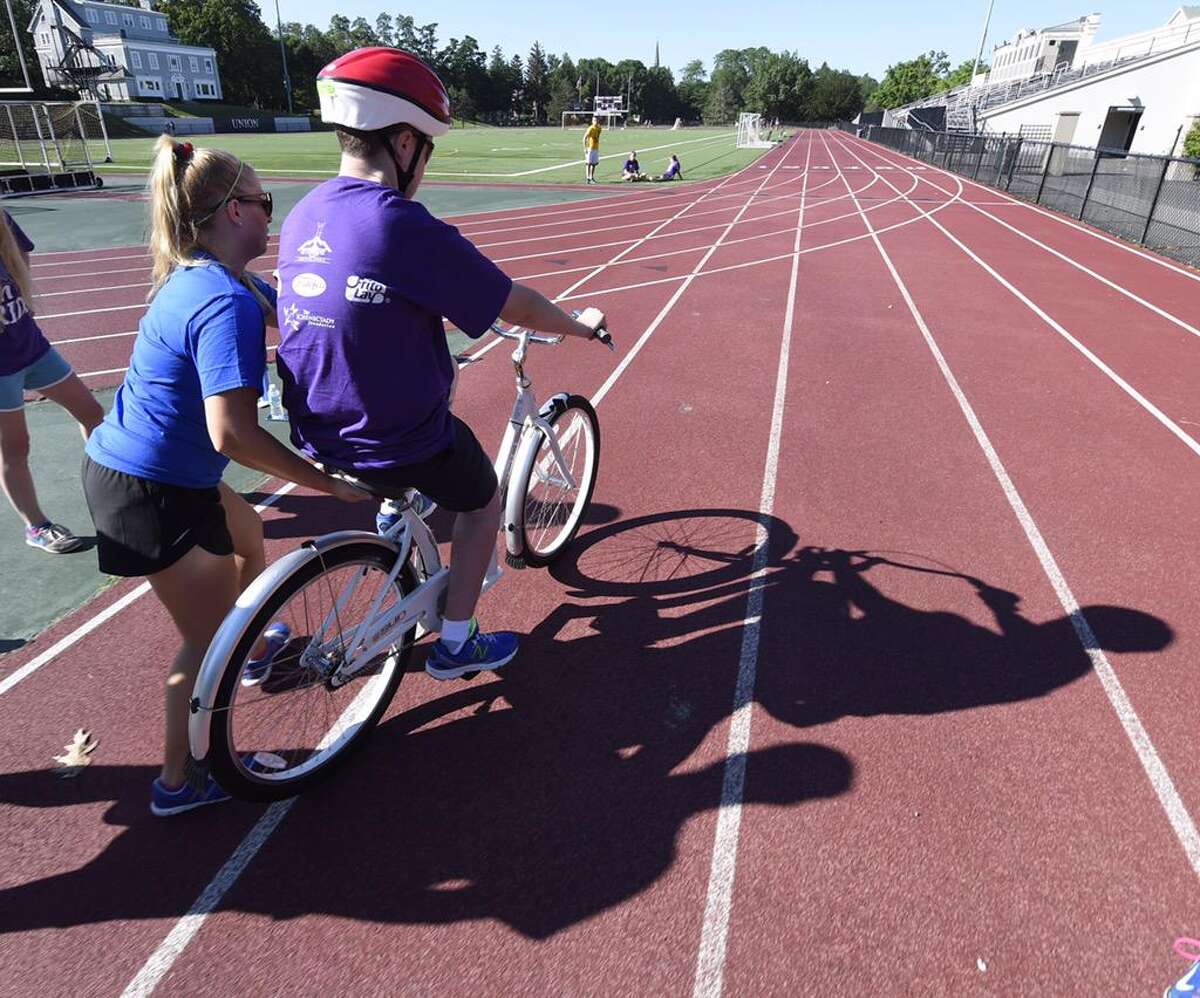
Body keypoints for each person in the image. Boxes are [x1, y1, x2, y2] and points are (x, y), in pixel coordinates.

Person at [277, 47, 610, 682]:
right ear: (403, 142)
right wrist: (577, 325)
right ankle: (458, 644)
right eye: (427, 147)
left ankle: (392, 514)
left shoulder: (306, 210)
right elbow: (512, 301)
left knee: (410, 463)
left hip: (316, 425)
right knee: (482, 500)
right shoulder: (401, 226)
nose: (425, 164)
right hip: (395, 437)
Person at [81, 137, 369, 817]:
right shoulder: (222, 303)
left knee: (249, 537)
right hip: (148, 489)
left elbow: (294, 312)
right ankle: (178, 784)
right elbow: (232, 434)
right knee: (208, 648)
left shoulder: (223, 278)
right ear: (234, 212)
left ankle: (257, 639)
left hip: (158, 470)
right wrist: (328, 483)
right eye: (265, 203)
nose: (272, 215)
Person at [0, 211, 103, 553]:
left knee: (91, 412)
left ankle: (109, 488)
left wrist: (21, 291)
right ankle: (37, 526)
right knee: (16, 448)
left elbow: (21, 253)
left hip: (32, 347)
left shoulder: (1, 217)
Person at [583, 115, 602, 183]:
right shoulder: (590, 129)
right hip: (590, 148)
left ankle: (591, 177)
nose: (595, 122)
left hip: (596, 148)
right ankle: (587, 178)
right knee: (588, 163)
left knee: (594, 164)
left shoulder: (599, 128)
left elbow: (598, 136)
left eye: (596, 120)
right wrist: (585, 148)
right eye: (594, 120)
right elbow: (584, 138)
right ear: (592, 121)